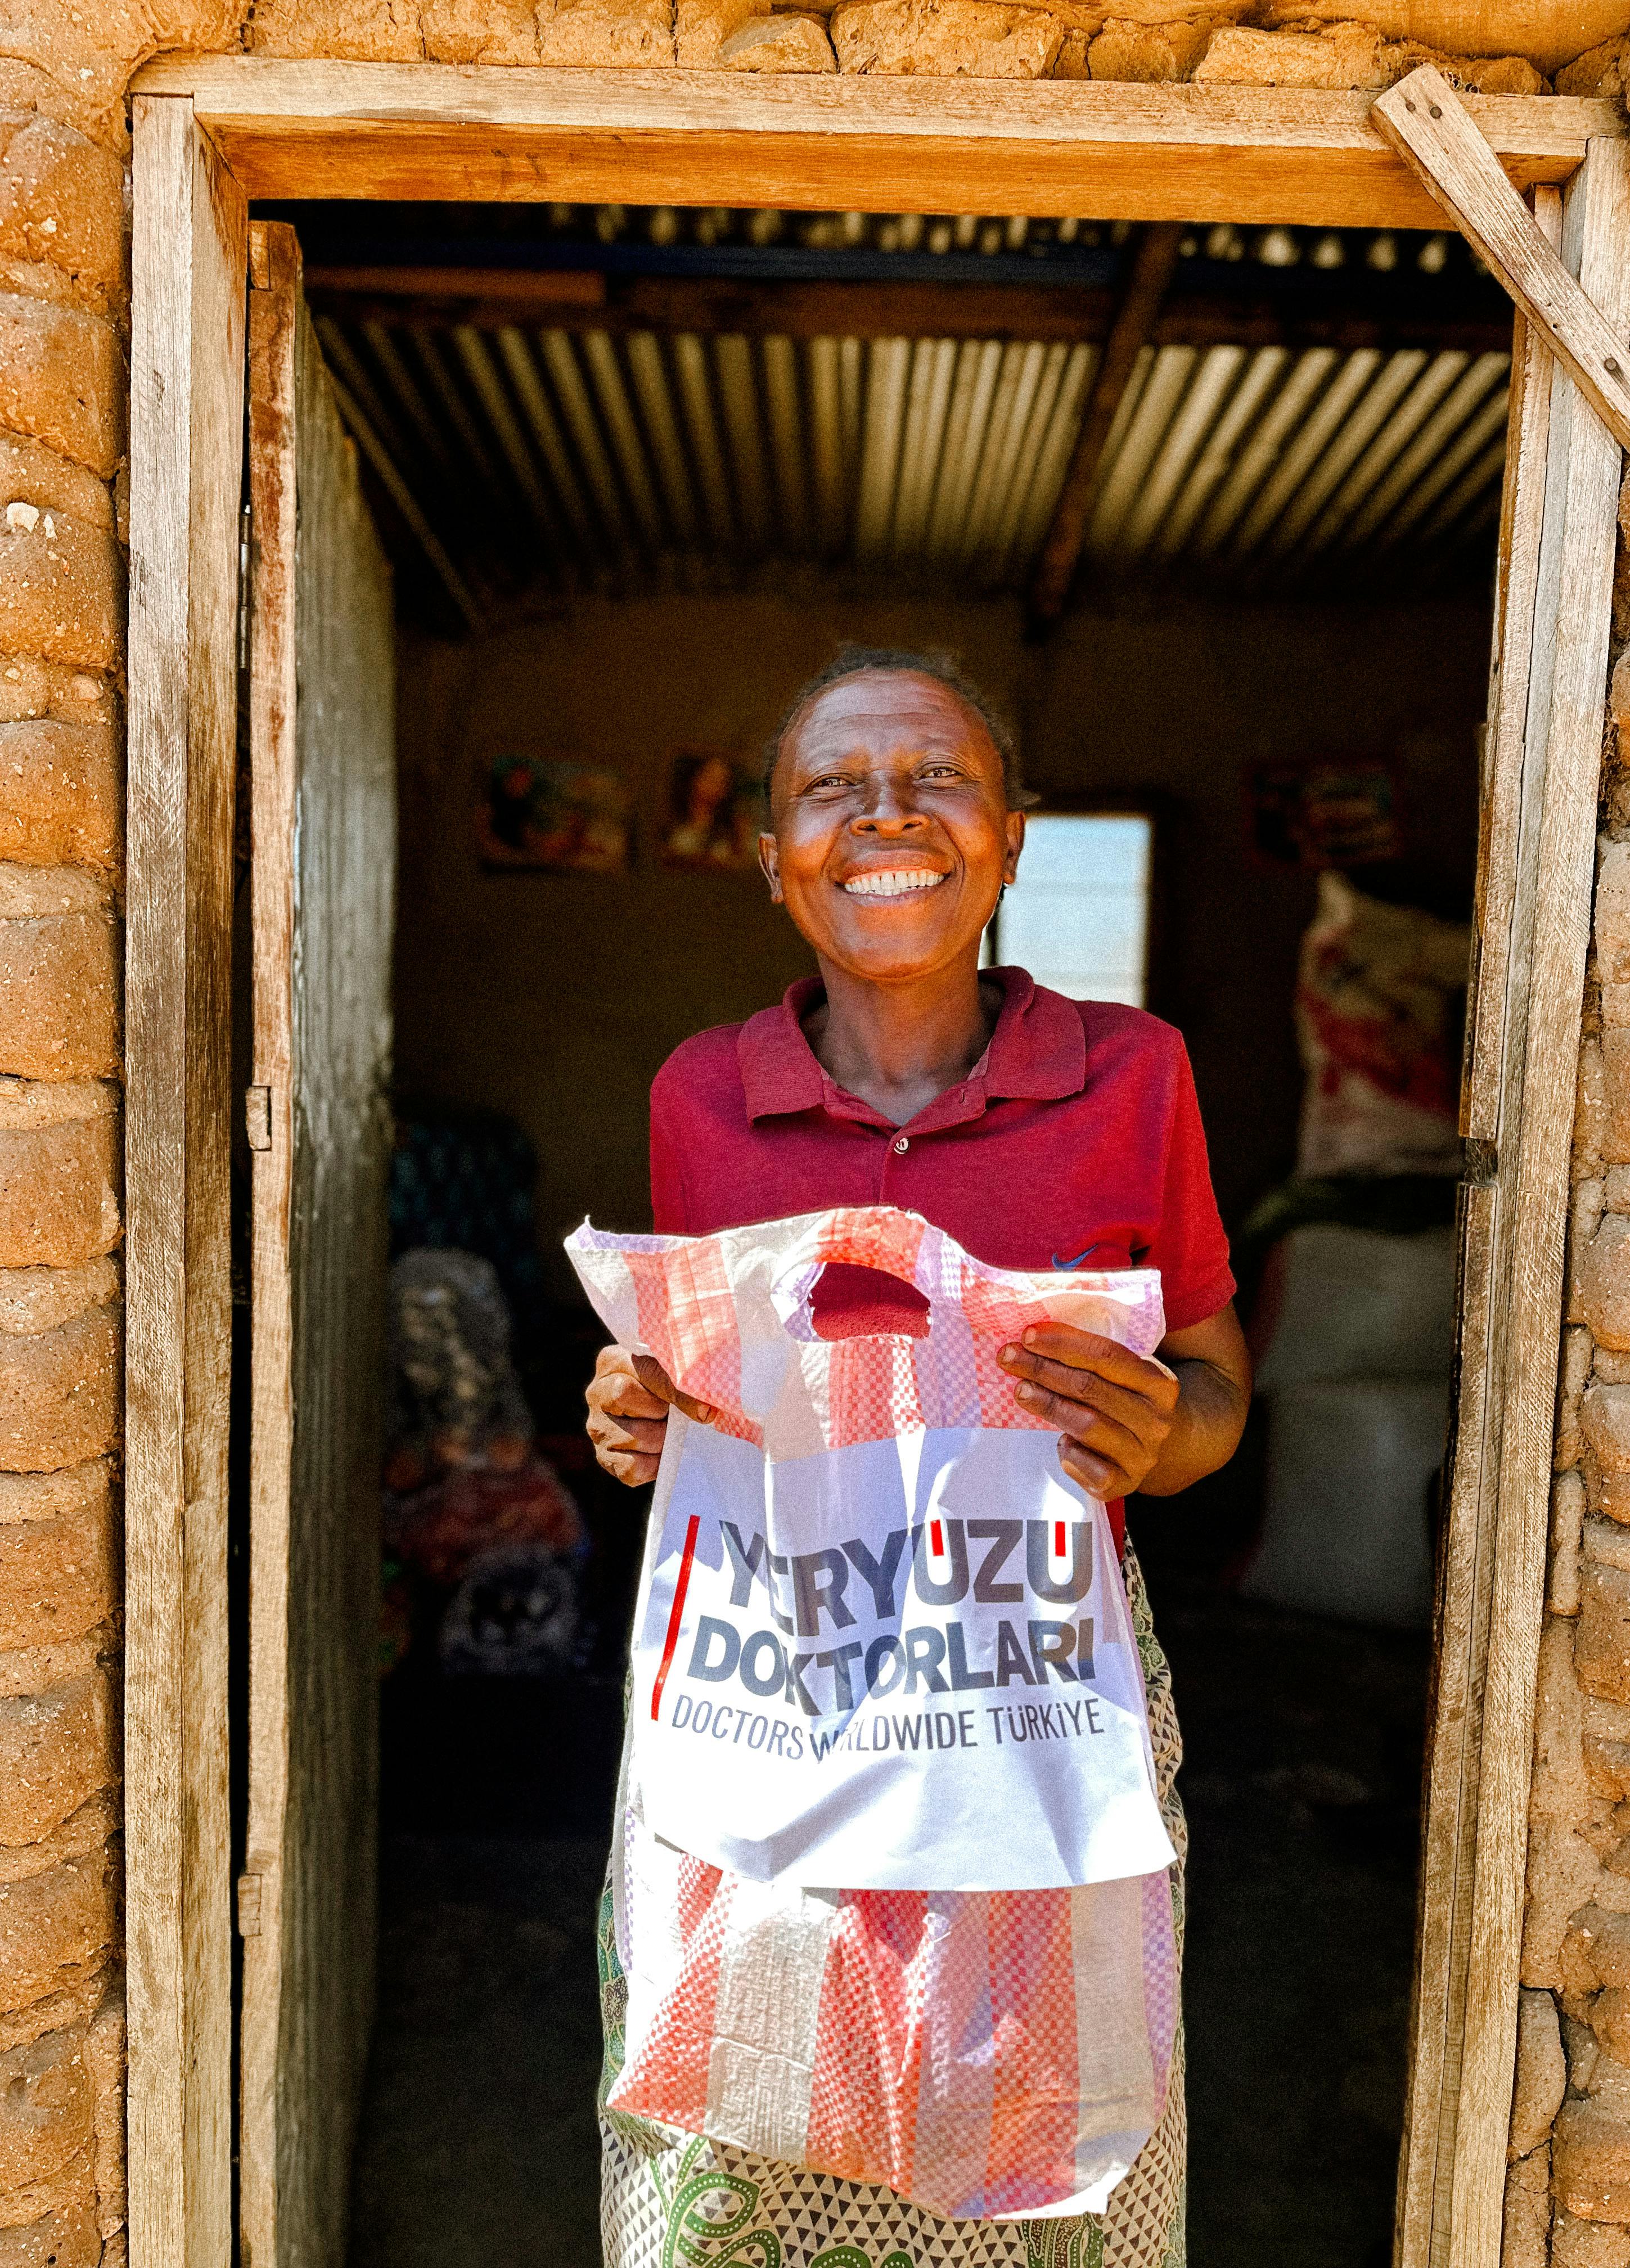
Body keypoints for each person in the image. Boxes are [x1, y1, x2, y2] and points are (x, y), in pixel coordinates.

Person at [584, 645, 1251, 2268]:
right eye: (830, 788)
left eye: (937, 778)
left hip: (1032, 1680)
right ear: (771, 861)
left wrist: (1167, 1436)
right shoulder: (703, 1098)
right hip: (772, 1676)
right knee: (745, 2101)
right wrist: (636, 1418)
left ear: (1012, 836)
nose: (885, 817)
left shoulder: (1134, 1079)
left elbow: (1219, 1392)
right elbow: (700, 1399)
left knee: (1034, 2111)